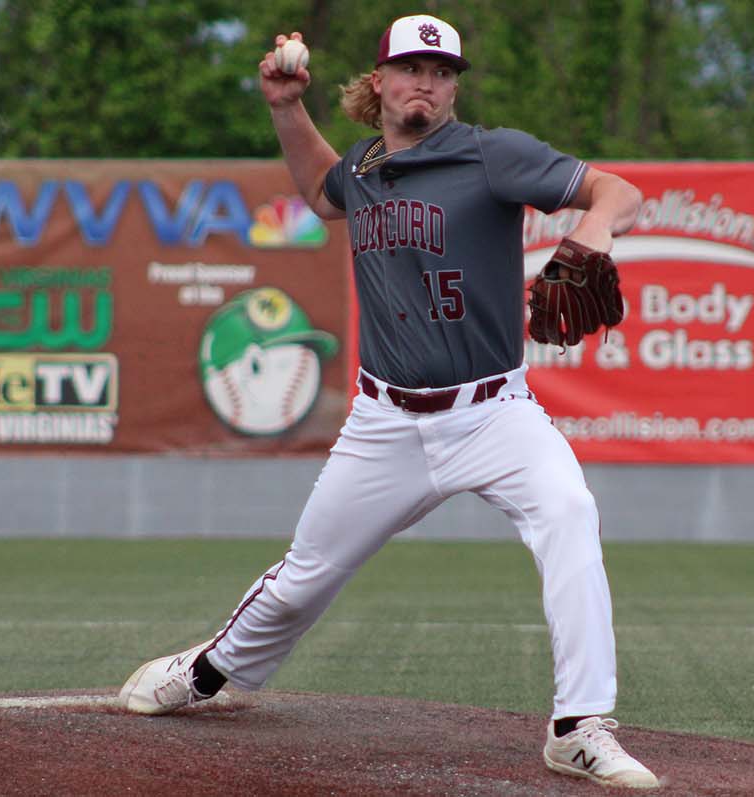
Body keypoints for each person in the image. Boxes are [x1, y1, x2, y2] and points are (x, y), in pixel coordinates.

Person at [119, 13, 657, 789]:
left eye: (442, 74)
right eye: (411, 69)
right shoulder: (365, 167)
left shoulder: (491, 154)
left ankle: (580, 725)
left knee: (568, 512)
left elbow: (618, 189)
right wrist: (284, 106)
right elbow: (319, 189)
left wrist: (597, 230)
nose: (426, 85)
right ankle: (211, 670)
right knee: (307, 573)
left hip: (493, 413)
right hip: (384, 423)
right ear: (381, 82)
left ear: (453, 88)